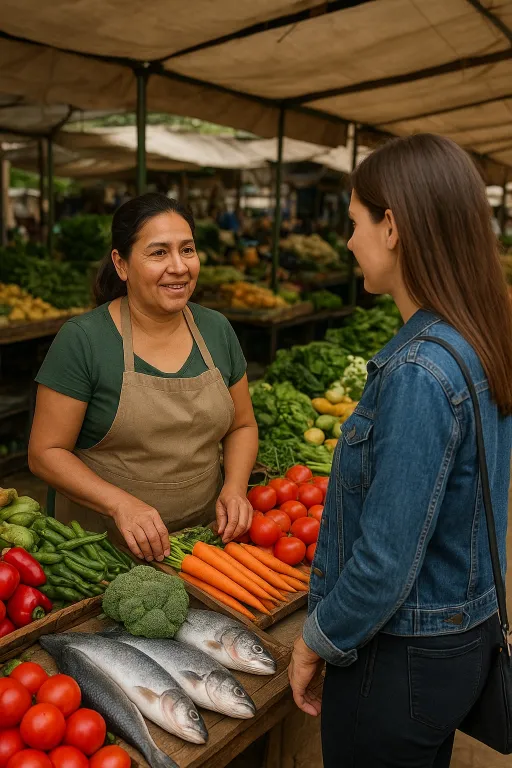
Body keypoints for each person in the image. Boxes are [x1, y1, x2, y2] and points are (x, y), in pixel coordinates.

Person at [288, 134, 512, 767]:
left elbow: (384, 562)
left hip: (402, 657)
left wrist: (316, 641)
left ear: (393, 227)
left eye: (355, 222)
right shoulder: (477, 338)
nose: (349, 240)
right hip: (460, 640)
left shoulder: (419, 370)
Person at [29, 193, 258, 562]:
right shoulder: (84, 339)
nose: (179, 267)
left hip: (200, 548)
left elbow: (242, 425)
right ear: (121, 264)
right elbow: (45, 454)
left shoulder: (217, 330)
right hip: (100, 554)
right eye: (158, 253)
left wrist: (234, 487)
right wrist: (121, 505)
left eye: (187, 250)